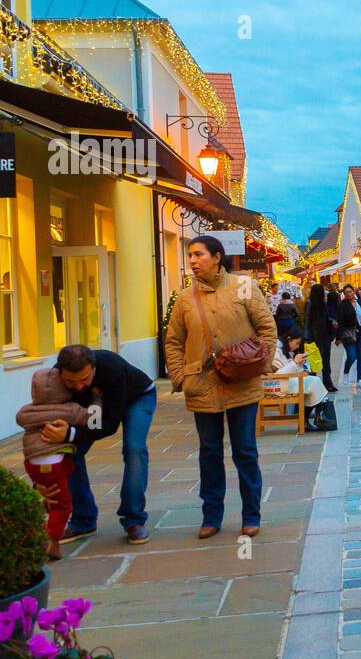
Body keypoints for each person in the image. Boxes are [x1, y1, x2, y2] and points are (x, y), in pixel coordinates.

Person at [164, 234, 277, 539]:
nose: (192, 260)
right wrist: (180, 376)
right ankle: (211, 515)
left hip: (242, 383)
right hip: (202, 385)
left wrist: (261, 365)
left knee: (245, 451)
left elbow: (267, 328)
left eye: (198, 254)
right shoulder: (185, 298)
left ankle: (251, 514)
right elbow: (173, 341)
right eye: (190, 255)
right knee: (209, 452)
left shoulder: (243, 286)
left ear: (217, 257)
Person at [40, 344, 157, 546]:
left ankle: (134, 519)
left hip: (137, 397)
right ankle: (83, 520)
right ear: (60, 372)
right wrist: (43, 477)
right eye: (70, 382)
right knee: (69, 451)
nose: (78, 386)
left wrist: (69, 433)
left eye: (84, 380)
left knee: (134, 448)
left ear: (93, 369)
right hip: (93, 407)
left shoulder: (112, 368)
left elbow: (109, 424)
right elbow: (44, 424)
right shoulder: (52, 380)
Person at [16, 368, 93, 559]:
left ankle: (44, 514)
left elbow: (20, 419)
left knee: (64, 476)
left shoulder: (27, 411)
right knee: (63, 505)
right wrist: (97, 399)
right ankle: (52, 540)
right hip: (54, 462)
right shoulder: (68, 410)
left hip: (32, 463)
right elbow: (91, 418)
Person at [272, 327, 335, 431]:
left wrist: (302, 369)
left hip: (286, 382)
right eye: (296, 343)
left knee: (313, 383)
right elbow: (279, 375)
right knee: (314, 382)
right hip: (278, 385)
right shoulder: (277, 351)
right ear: (288, 339)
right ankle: (316, 417)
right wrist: (295, 363)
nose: (297, 347)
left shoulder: (285, 350)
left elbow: (289, 371)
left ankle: (310, 419)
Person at [304, 283, 338, 393]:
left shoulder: (323, 304)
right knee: (315, 363)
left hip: (323, 336)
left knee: (325, 362)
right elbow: (307, 321)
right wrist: (306, 337)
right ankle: (315, 386)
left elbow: (325, 318)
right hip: (314, 337)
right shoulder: (310, 304)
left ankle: (327, 384)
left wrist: (332, 322)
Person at [337, 283, 361, 389]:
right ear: (344, 294)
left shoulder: (359, 303)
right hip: (348, 334)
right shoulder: (342, 305)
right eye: (346, 293)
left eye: (350, 292)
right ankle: (346, 373)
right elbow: (340, 321)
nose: (348, 294)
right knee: (351, 357)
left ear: (354, 292)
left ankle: (360, 380)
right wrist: (338, 338)